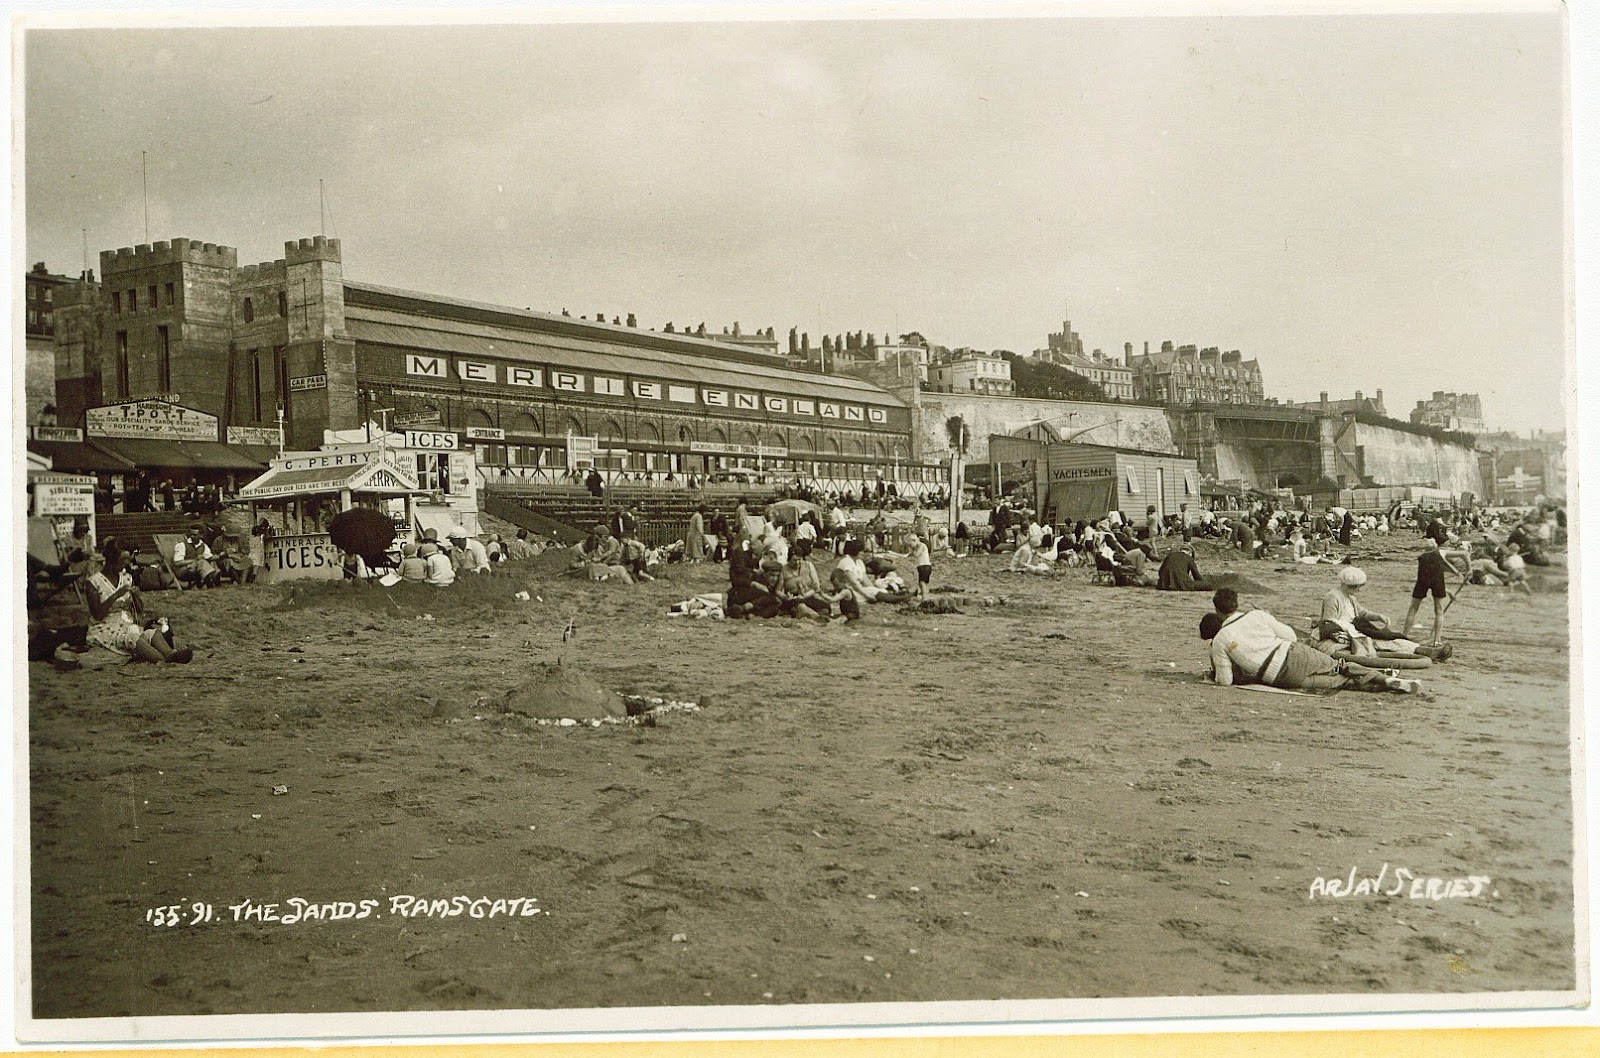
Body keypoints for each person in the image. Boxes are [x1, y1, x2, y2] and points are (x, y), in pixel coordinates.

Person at [1204, 588, 1417, 694]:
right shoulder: (1255, 615)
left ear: (1217, 610)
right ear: (1236, 603)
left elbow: (1225, 681)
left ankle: (1385, 683)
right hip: (1292, 652)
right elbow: (1290, 635)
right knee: (1340, 666)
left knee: (1341, 683)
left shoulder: (1220, 641)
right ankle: (1384, 679)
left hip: (1279, 675)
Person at [82, 551, 192, 664]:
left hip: (126, 625)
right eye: (124, 559)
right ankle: (163, 660)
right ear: (111, 559)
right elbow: (97, 614)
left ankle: (171, 654)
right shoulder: (93, 582)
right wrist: (116, 595)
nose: (128, 562)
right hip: (105, 628)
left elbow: (139, 609)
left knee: (153, 633)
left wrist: (135, 596)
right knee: (134, 639)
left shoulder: (127, 578)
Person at [1402, 538, 1466, 645]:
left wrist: (1449, 591)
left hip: (1424, 579)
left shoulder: (1422, 557)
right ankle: (1437, 640)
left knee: (1413, 608)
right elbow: (1435, 579)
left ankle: (1404, 636)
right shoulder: (1439, 554)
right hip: (1434, 579)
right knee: (1439, 610)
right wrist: (1468, 570)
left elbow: (1428, 578)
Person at [906, 531, 933, 601]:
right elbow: (912, 554)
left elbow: (916, 554)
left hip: (924, 566)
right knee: (924, 583)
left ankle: (924, 598)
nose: (911, 546)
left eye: (911, 544)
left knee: (922, 583)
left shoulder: (922, 545)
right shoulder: (919, 546)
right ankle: (924, 596)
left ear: (914, 540)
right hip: (924, 566)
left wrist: (912, 550)